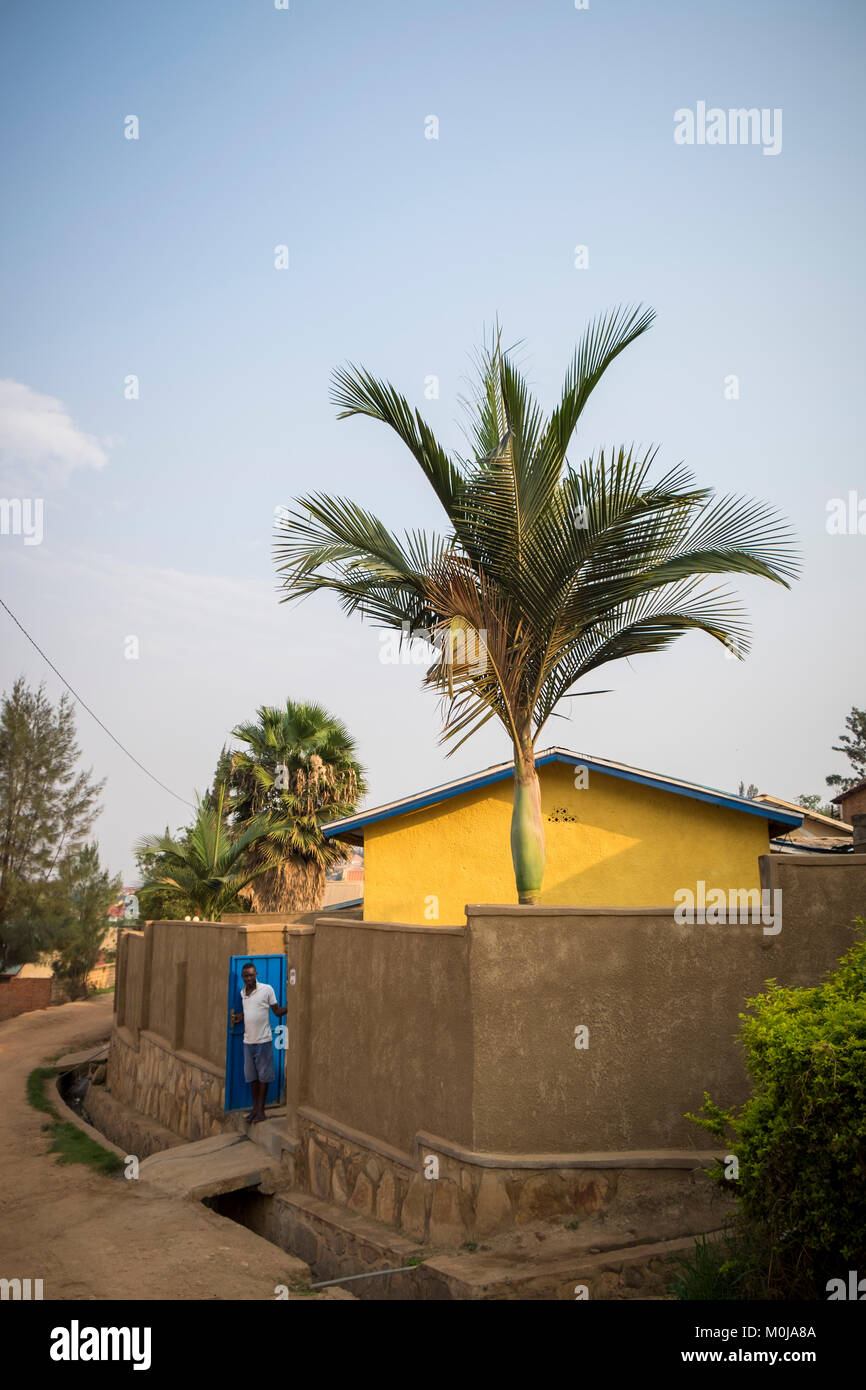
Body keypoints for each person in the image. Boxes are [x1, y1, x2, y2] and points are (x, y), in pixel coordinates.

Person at [229, 961, 287, 1124]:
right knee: (252, 1078)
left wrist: (292, 1006)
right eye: (246, 976)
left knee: (264, 1077)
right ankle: (255, 1109)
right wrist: (241, 1016)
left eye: (251, 975)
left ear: (256, 975)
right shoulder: (243, 993)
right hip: (248, 1042)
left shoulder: (266, 990)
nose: (248, 978)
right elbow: (250, 1011)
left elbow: (276, 1011)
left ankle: (261, 1111)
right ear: (242, 977)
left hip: (263, 1041)